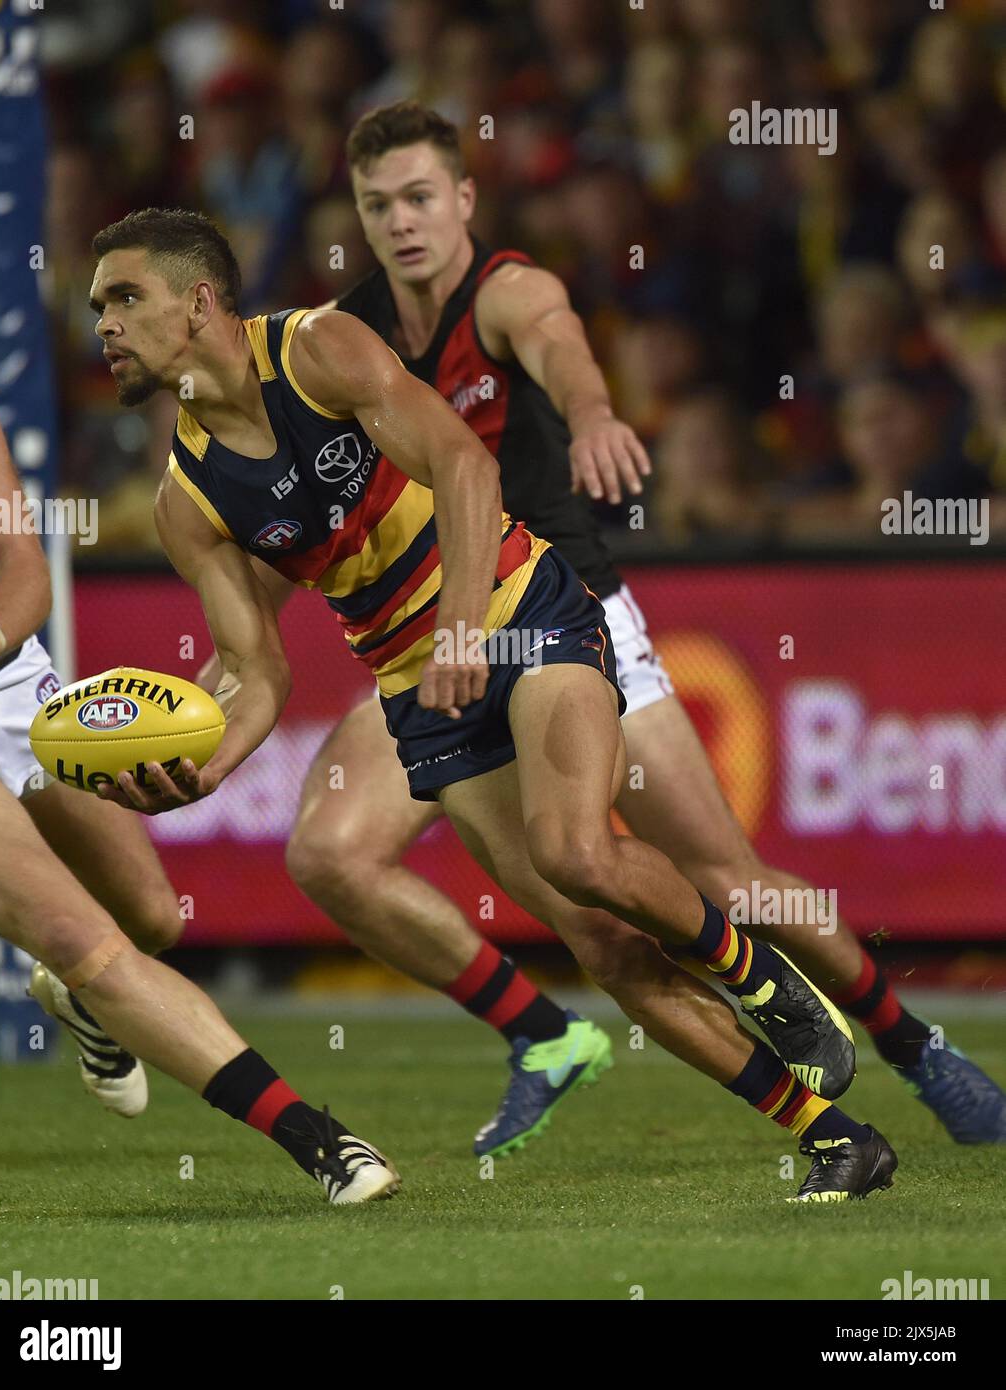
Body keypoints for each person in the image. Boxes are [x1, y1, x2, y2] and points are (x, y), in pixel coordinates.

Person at [210, 102, 1006, 1153]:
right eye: (376, 204)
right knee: (333, 849)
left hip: (564, 613)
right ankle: (548, 1036)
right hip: (438, 643)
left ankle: (916, 1049)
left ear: (462, 199)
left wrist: (590, 414)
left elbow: (557, 342)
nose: (400, 221)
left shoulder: (507, 291)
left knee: (723, 879)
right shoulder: (342, 340)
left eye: (417, 197)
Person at [88, 203, 901, 1204]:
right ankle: (836, 1139)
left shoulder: (316, 350)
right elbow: (255, 669)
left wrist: (465, 625)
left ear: (199, 301)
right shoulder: (187, 501)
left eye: (125, 298)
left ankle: (758, 974)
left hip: (519, 607)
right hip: (415, 684)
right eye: (96, 307)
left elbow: (465, 465)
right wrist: (198, 775)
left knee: (575, 851)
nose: (105, 325)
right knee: (597, 940)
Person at [0, 376, 399, 1206]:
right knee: (81, 935)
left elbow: (22, 568)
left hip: (4, 678)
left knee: (152, 920)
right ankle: (319, 1142)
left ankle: (80, 1002)